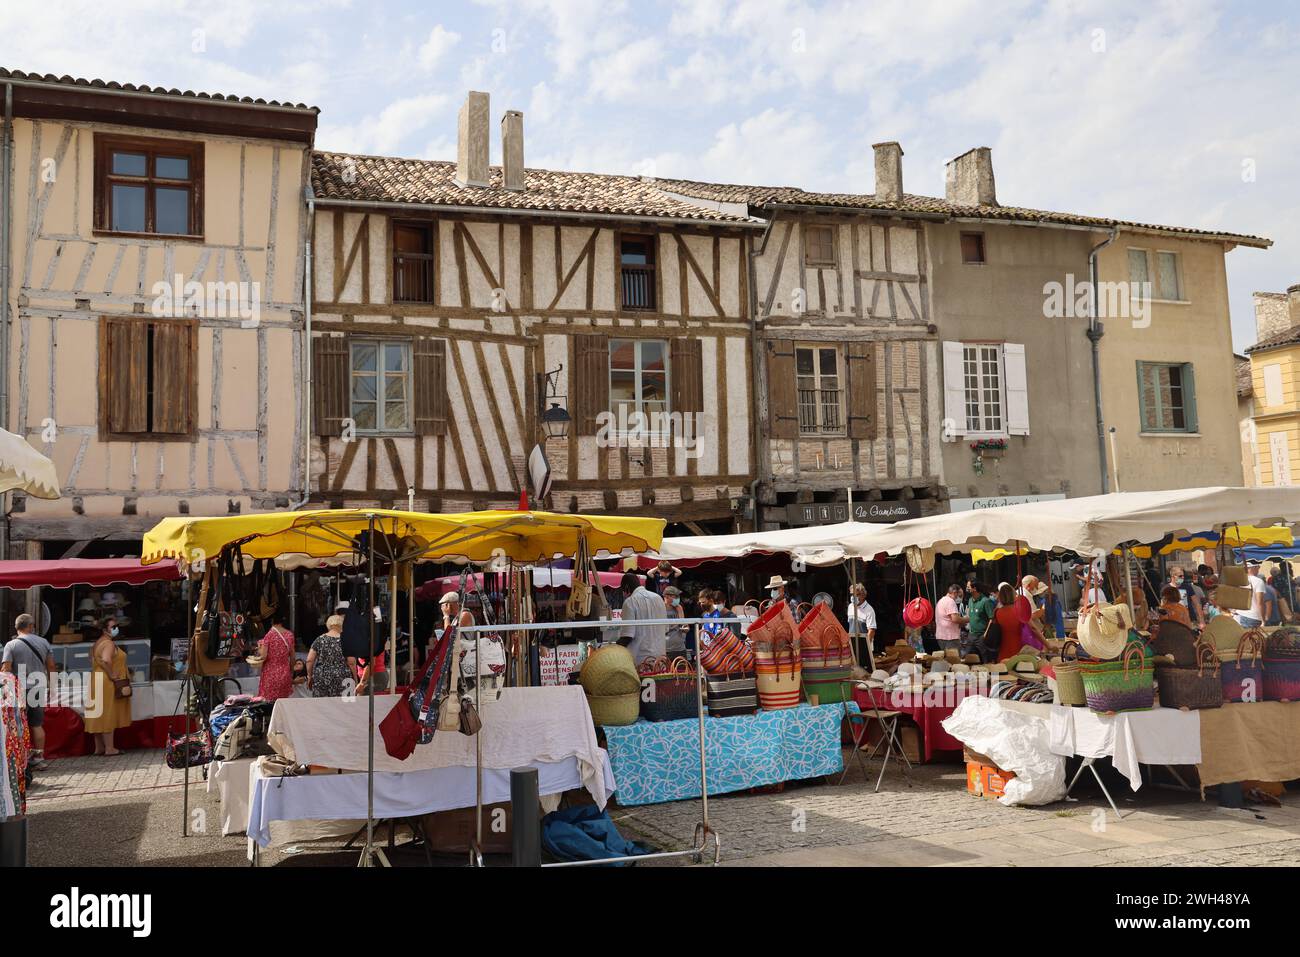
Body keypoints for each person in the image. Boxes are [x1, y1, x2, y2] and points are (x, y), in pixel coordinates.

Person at [1, 613, 55, 770]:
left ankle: (21, 760)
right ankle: (39, 758)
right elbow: (51, 666)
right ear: (31, 627)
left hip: (19, 690)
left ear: (17, 627)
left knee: (19, 725)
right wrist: (52, 686)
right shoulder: (43, 642)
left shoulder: (11, 645)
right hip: (38, 688)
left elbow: (6, 669)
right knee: (37, 724)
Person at [83, 618, 131, 756]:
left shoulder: (97, 643)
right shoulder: (108, 643)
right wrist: (112, 674)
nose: (116, 628)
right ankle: (110, 748)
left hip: (96, 679)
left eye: (117, 625)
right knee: (107, 713)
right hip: (106, 681)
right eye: (113, 626)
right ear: (105, 630)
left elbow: (92, 660)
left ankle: (99, 747)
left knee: (98, 712)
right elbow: (105, 660)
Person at [605, 571, 667, 664]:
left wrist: (612, 648)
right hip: (660, 657)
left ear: (626, 588)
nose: (624, 594)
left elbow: (627, 635)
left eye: (623, 591)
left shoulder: (630, 602)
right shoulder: (658, 598)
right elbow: (666, 629)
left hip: (641, 659)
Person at [307, 614, 356, 698]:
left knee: (322, 706)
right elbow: (351, 662)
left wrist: (309, 676)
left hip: (321, 677)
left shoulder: (319, 639)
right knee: (345, 706)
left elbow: (309, 660)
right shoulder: (346, 640)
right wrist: (355, 678)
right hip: (343, 677)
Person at [255, 616, 296, 701]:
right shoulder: (290, 635)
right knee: (282, 701)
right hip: (285, 672)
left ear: (272, 621)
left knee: (269, 701)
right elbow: (292, 657)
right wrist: (291, 672)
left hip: (270, 673)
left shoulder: (269, 635)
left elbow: (263, 656)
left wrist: (259, 648)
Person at [994, 584, 1027, 662]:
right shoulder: (1019, 610)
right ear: (1013, 595)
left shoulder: (997, 612)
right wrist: (1047, 645)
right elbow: (1034, 628)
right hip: (1019, 651)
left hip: (1002, 652)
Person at [965, 581, 995, 658]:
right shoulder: (970, 600)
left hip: (981, 635)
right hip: (971, 635)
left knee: (985, 658)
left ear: (974, 588)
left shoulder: (986, 601)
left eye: (968, 586)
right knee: (968, 658)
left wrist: (985, 634)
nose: (967, 588)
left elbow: (991, 619)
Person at [934, 583, 966, 654]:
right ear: (954, 592)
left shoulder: (941, 601)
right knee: (954, 661)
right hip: (950, 637)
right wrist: (967, 619)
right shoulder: (950, 601)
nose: (960, 598)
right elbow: (955, 619)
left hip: (942, 636)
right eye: (959, 595)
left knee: (947, 661)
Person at [1236, 561, 1269, 629]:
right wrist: (1263, 620)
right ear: (1252, 568)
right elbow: (1260, 602)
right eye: (1258, 567)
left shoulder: (1238, 580)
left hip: (1238, 615)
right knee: (1254, 638)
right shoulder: (1258, 581)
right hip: (1252, 617)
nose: (1258, 570)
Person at [848, 583, 878, 656]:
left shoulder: (869, 610)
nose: (853, 597)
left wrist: (864, 647)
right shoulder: (850, 607)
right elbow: (851, 626)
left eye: (857, 594)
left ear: (863, 595)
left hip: (864, 649)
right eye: (852, 594)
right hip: (852, 646)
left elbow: (871, 631)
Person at [663, 585, 690, 656]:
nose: (678, 599)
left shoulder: (679, 608)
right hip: (665, 650)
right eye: (675, 596)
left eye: (678, 596)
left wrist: (680, 611)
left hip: (680, 649)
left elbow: (685, 628)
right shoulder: (660, 608)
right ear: (666, 596)